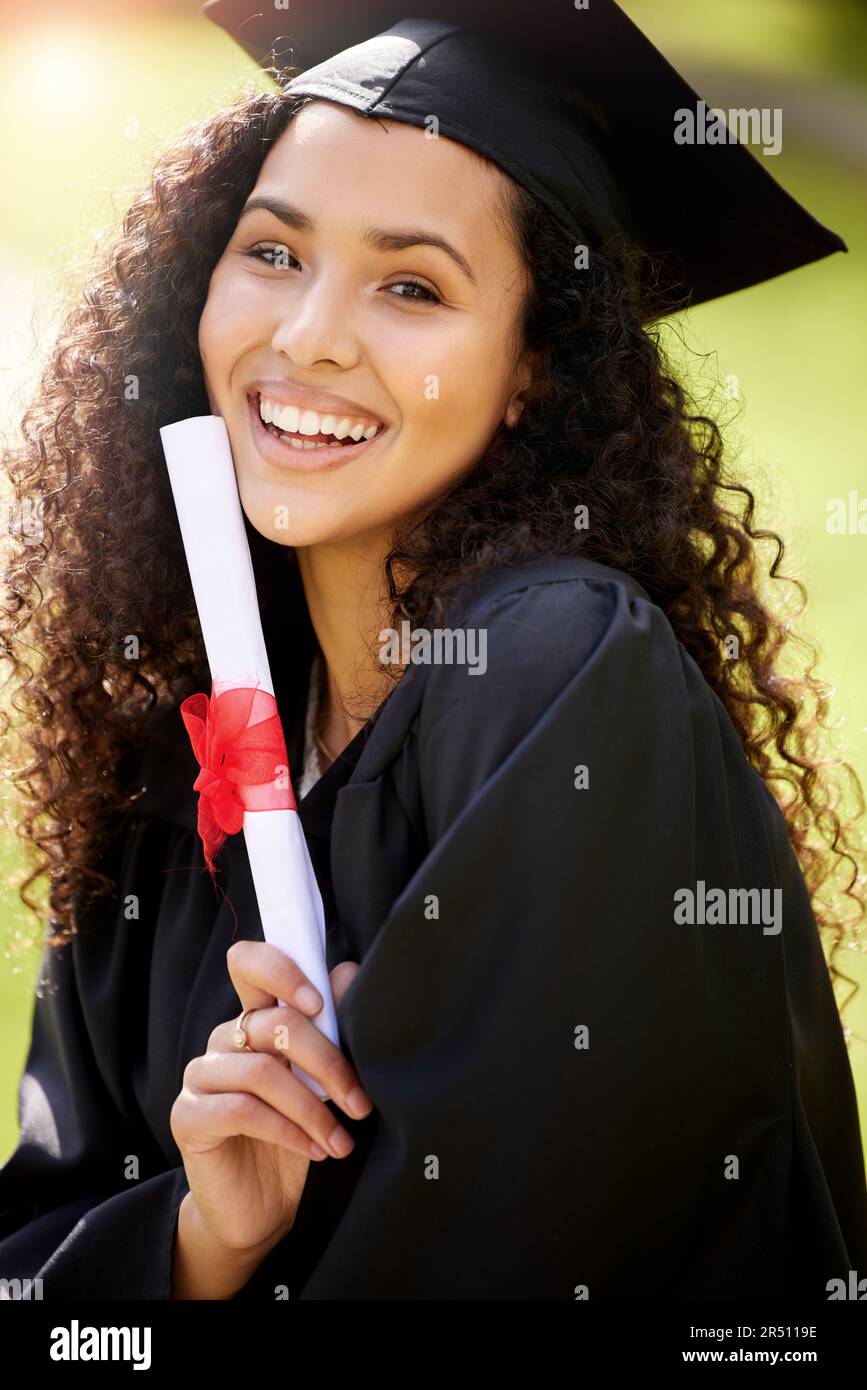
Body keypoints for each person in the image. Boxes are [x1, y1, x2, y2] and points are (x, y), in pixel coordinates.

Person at [0, 0, 865, 1300]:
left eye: (412, 285)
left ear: (534, 369)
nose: (308, 338)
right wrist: (200, 1241)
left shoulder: (561, 675)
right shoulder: (175, 749)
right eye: (274, 253)